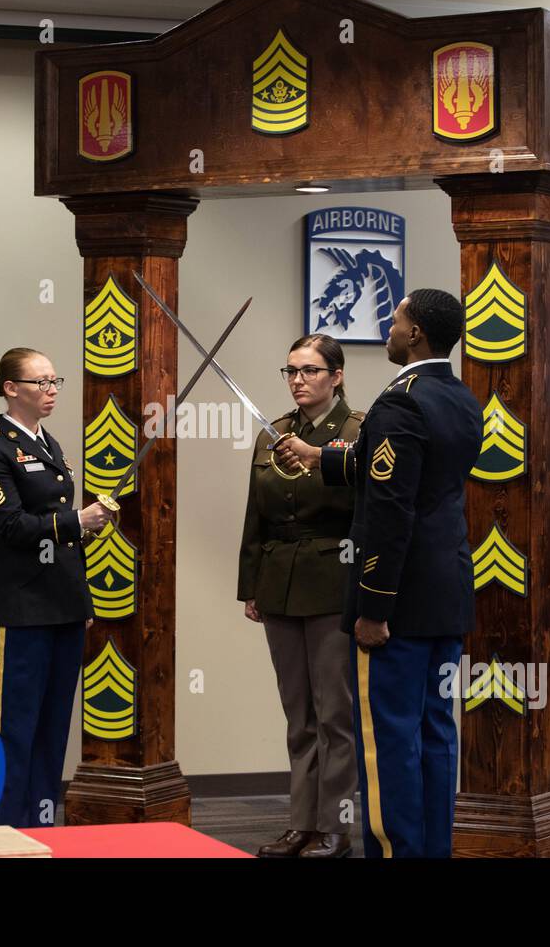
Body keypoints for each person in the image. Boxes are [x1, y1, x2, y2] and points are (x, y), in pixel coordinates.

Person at [276, 289, 480, 858]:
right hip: (445, 592)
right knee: (437, 733)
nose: (388, 330)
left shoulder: (399, 402)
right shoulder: (460, 396)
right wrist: (323, 457)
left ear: (414, 334)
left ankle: (396, 852)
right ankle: (432, 850)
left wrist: (373, 606)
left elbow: (390, 511)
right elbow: (403, 468)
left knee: (388, 739)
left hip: (398, 601)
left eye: (395, 321)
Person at [0, 347, 112, 828]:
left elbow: (63, 536)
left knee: (54, 728)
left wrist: (82, 595)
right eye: (41, 382)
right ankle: (2, 829)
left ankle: (42, 826)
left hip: (63, 603)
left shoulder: (48, 443)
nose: (51, 391)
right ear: (11, 388)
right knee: (16, 726)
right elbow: (10, 527)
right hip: (22, 604)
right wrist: (76, 518)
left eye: (55, 381)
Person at [237, 334, 362, 858]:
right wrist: (250, 587)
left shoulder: (358, 432)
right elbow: (256, 516)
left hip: (333, 581)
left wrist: (317, 462)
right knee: (298, 715)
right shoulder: (274, 433)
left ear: (336, 376)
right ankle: (299, 823)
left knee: (334, 712)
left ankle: (334, 825)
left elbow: (367, 505)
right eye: (290, 371)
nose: (298, 380)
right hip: (279, 582)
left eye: (310, 370)